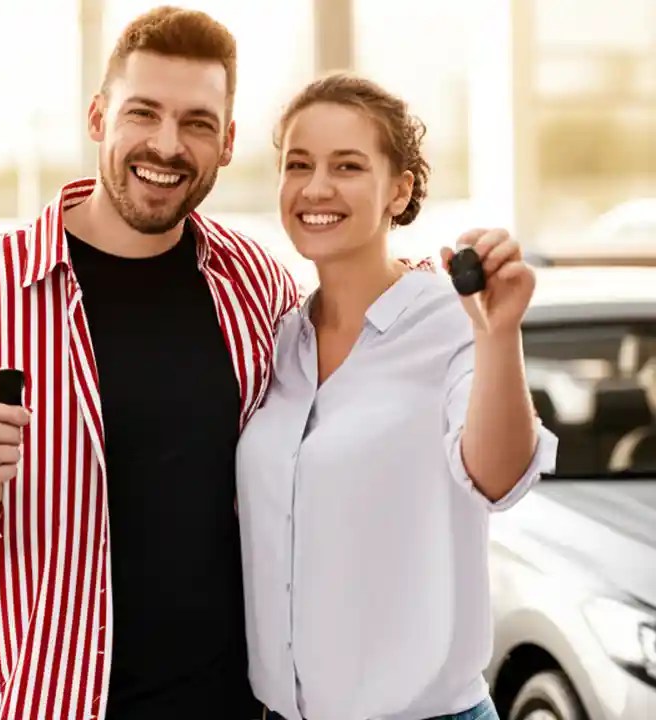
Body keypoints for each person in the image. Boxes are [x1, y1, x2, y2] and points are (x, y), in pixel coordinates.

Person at [0, 6, 299, 719]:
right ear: (99, 116)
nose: (167, 146)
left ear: (226, 143)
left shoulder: (258, 286)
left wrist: (407, 286)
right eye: (144, 113)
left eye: (197, 122)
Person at [236, 72, 558, 720]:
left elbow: (498, 477)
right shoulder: (280, 341)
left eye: (347, 166)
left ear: (400, 188)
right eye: (299, 164)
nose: (316, 187)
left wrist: (498, 335)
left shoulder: (451, 322)